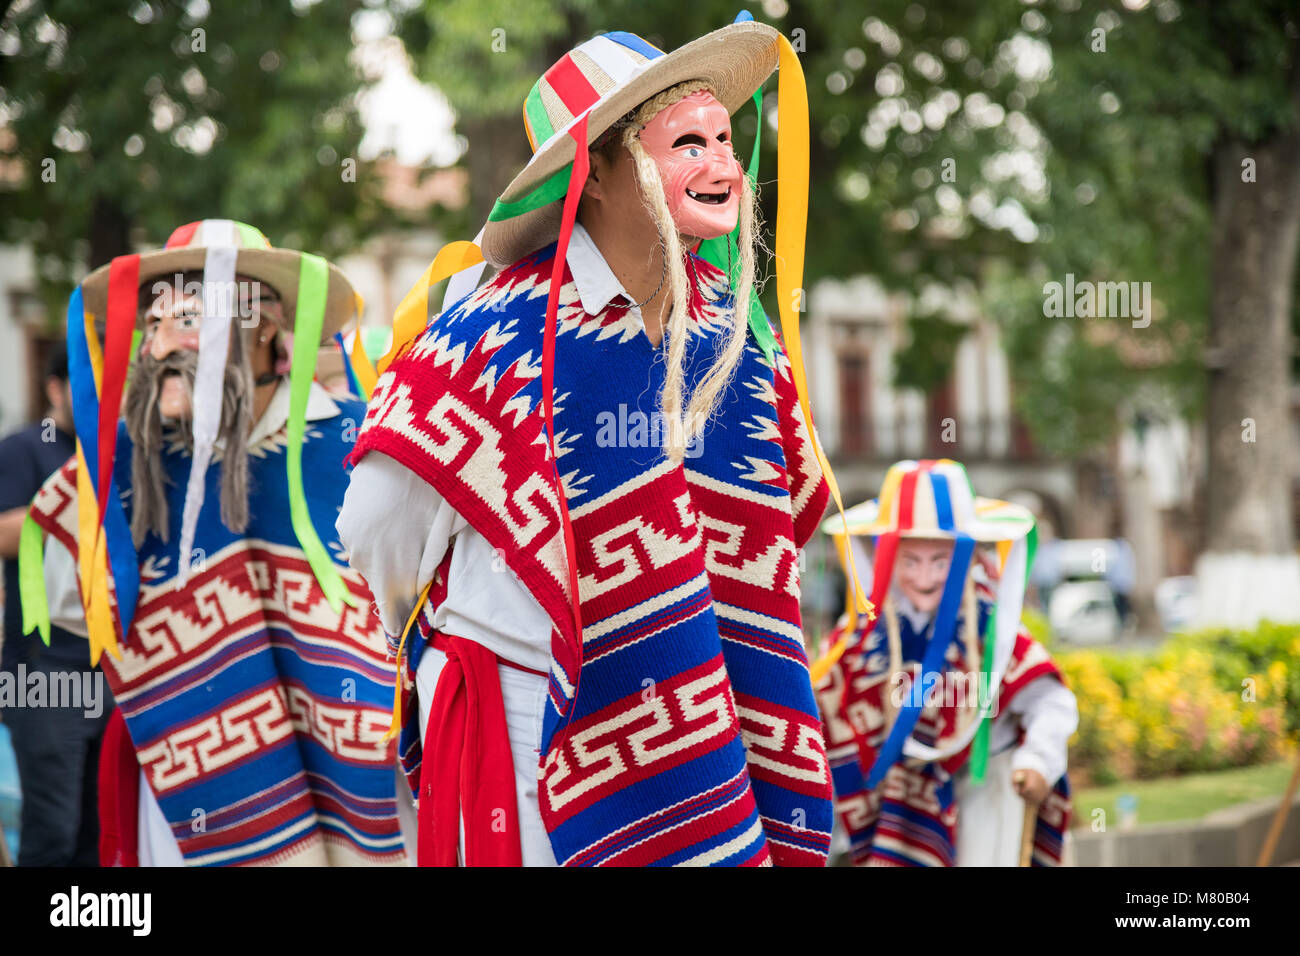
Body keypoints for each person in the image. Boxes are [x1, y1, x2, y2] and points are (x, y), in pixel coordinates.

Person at [338, 19, 864, 866]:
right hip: (521, 732)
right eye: (684, 142)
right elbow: (374, 532)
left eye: (724, 140)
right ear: (599, 171)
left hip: (709, 713)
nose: (722, 165)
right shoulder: (493, 333)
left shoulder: (737, 337)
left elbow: (776, 529)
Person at [25, 219, 408, 866]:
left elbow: (409, 600)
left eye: (191, 314)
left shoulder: (365, 445)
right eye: (152, 322)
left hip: (367, 785)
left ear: (266, 321)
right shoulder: (114, 477)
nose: (159, 344)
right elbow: (78, 606)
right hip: (196, 798)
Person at [812, 459, 1076, 866]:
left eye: (941, 560)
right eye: (910, 561)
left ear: (967, 556)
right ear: (886, 557)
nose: (925, 578)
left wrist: (1037, 760)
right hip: (892, 813)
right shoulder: (861, 632)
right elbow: (824, 707)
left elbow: (1051, 703)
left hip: (984, 797)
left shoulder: (994, 628)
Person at [0, 347, 108, 865]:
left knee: (100, 827)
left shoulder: (115, 450)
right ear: (55, 389)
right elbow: (3, 534)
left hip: (107, 662)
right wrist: (76, 498)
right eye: (86, 385)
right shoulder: (25, 448)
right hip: (43, 670)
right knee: (52, 828)